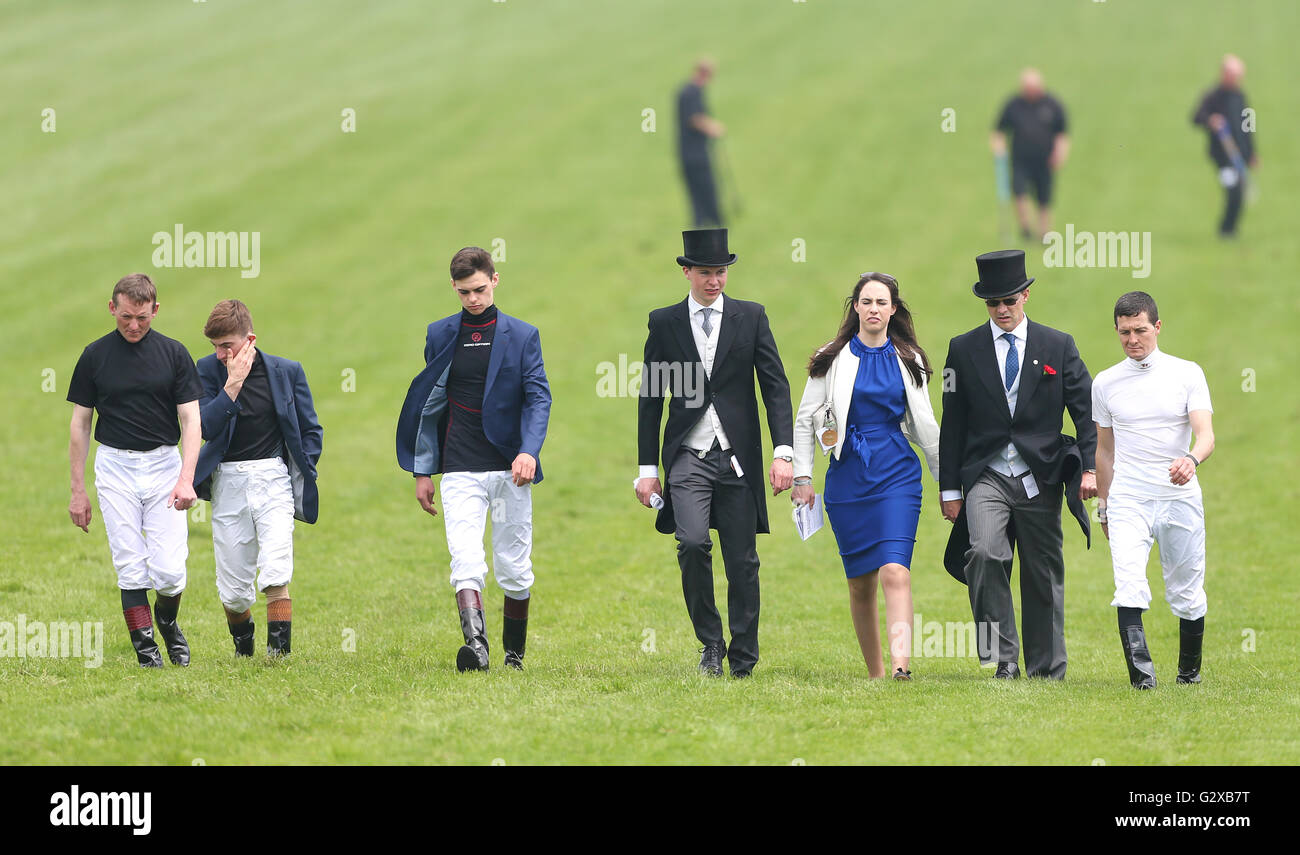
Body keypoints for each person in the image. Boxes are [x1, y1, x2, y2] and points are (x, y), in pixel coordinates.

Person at [636, 228, 794, 678]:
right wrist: (647, 469)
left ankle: (744, 656)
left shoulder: (752, 317)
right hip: (688, 454)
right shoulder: (664, 322)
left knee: (742, 560)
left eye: (721, 272)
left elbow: (775, 387)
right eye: (705, 272)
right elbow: (651, 399)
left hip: (737, 456)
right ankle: (710, 643)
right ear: (687, 272)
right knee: (690, 542)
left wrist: (783, 452)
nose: (714, 281)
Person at [938, 250, 1097, 680]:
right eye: (993, 303)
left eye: (1010, 299)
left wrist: (1089, 469)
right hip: (986, 474)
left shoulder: (1057, 346)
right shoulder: (963, 349)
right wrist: (950, 488)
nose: (1002, 310)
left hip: (1040, 474)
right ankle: (1003, 659)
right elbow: (952, 424)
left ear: (1026, 295)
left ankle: (1046, 669)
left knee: (1042, 573)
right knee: (985, 552)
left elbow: (1084, 411)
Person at [396, 247, 552, 672]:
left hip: (509, 469)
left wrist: (528, 451)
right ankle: (477, 649)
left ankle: (514, 655)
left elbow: (539, 398)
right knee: (465, 560)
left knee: (514, 569)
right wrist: (422, 470)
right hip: (460, 468)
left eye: (480, 289)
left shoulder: (522, 335)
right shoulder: (440, 334)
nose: (473, 299)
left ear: (495, 280)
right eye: (464, 292)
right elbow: (431, 404)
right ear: (454, 288)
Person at [792, 273, 940, 680]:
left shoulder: (910, 359)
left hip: (897, 472)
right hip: (847, 475)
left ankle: (900, 667)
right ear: (855, 307)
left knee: (895, 569)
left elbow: (926, 426)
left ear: (894, 309)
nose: (874, 309)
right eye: (866, 302)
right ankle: (876, 673)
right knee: (860, 582)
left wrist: (948, 486)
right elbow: (806, 421)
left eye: (882, 302)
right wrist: (803, 479)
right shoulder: (831, 357)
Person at [66, 273, 202, 668]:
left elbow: (191, 420)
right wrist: (78, 491)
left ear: (155, 310)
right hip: (115, 468)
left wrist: (186, 477)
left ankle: (168, 623)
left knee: (170, 572)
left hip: (163, 465)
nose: (133, 325)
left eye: (142, 317)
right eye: (125, 316)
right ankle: (147, 652)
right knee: (130, 564)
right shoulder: (94, 356)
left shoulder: (175, 354)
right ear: (112, 308)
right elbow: (79, 424)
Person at [1093, 291, 1214, 689]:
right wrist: (1105, 508)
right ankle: (1142, 679)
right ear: (1116, 330)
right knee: (1128, 581)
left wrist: (1191, 460)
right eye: (1124, 332)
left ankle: (1189, 673)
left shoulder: (1187, 373)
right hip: (1129, 496)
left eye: (1140, 330)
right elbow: (1105, 451)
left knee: (1186, 587)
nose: (1132, 340)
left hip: (1179, 494)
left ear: (1157, 327)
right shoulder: (1106, 383)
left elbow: (1205, 435)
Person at [194, 300, 322, 658]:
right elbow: (203, 427)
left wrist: (304, 466)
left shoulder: (286, 371)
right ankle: (243, 642)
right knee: (233, 592)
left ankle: (278, 654)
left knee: (276, 566)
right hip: (227, 483)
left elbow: (311, 428)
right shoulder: (207, 371)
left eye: (227, 346)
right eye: (216, 346)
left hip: (273, 478)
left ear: (249, 339)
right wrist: (232, 385)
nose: (220, 354)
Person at [991, 68, 1069, 240]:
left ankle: (1044, 232)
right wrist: (999, 147)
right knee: (1019, 193)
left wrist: (1060, 153)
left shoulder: (1052, 104)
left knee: (1044, 198)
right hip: (1020, 160)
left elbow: (1062, 133)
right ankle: (1025, 227)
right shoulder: (1014, 105)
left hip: (1045, 160)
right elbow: (999, 129)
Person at [1192, 54, 1257, 238]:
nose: (1235, 79)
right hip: (1222, 156)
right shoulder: (1212, 96)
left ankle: (1229, 229)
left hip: (1240, 155)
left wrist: (1252, 153)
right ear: (1224, 73)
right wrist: (1211, 120)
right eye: (1232, 75)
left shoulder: (1240, 97)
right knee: (1234, 192)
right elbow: (1196, 117)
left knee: (1238, 194)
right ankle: (1226, 230)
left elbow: (1249, 126)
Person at [677, 58, 726, 228]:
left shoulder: (685, 91)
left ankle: (702, 224)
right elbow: (694, 119)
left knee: (697, 191)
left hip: (687, 153)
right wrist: (713, 128)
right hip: (695, 154)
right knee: (706, 188)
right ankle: (715, 223)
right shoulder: (691, 92)